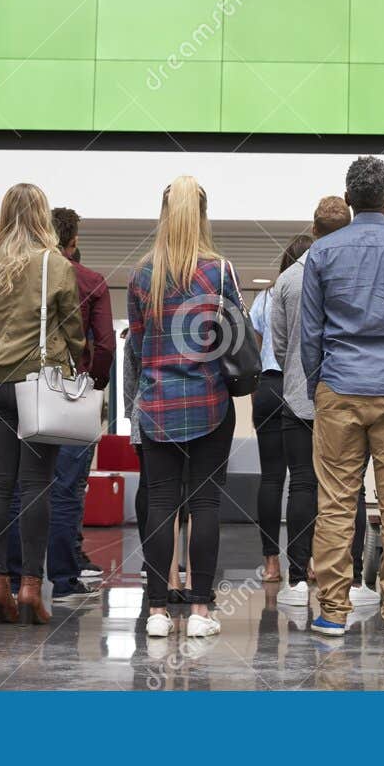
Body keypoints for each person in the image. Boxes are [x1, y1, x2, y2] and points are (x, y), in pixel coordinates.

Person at [302, 157, 384, 639]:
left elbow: (310, 334)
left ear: (349, 199)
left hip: (338, 387)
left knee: (336, 503)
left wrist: (323, 383)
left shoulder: (322, 253)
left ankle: (332, 613)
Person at [128, 175, 242, 640]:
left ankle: (157, 611)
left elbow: (138, 345)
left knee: (160, 504)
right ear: (203, 215)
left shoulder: (142, 275)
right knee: (206, 504)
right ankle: (199, 612)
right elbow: (236, 337)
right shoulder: (219, 272)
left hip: (156, 405)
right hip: (210, 401)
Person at [0, 183, 87, 625]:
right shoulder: (54, 265)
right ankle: (30, 588)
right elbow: (72, 328)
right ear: (42, 216)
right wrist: (77, 360)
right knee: (36, 483)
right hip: (38, 384)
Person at [268, 197, 374, 611]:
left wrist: (297, 373)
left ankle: (296, 580)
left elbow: (278, 346)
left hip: (300, 398)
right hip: (350, 395)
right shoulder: (359, 274)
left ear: (312, 229)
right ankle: (355, 584)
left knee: (302, 486)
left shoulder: (289, 279)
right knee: (352, 489)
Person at [11, 206, 115, 607]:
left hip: (26, 392)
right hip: (72, 395)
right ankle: (65, 582)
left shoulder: (19, 277)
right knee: (66, 491)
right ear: (73, 241)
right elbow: (104, 343)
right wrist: (96, 382)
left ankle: (19, 578)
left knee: (23, 488)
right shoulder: (88, 280)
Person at [250, 236, 309, 586]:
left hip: (268, 387)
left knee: (271, 478)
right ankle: (309, 561)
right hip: (299, 386)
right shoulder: (312, 290)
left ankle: (271, 564)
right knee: (306, 478)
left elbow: (256, 351)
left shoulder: (265, 297)